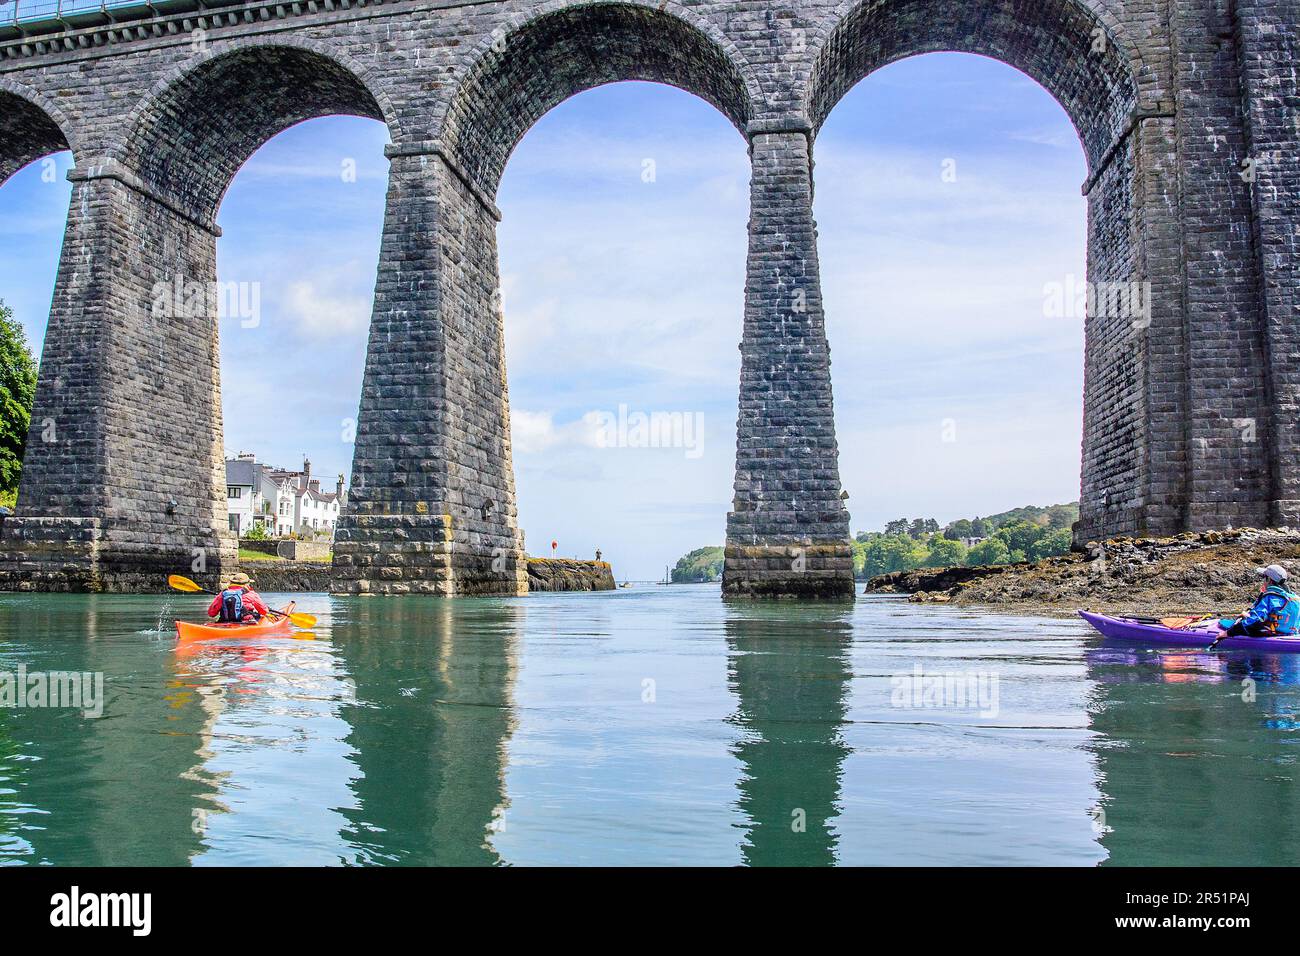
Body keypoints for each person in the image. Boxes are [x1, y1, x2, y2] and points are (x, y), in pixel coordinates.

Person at [1221, 565, 1300, 637]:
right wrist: (1248, 615)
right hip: (1292, 633)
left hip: (1273, 632)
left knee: (1249, 624)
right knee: (1248, 617)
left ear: (1269, 579)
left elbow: (1255, 620)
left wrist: (1228, 633)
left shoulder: (1270, 597)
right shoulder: (1295, 597)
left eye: (1264, 577)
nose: (1263, 580)